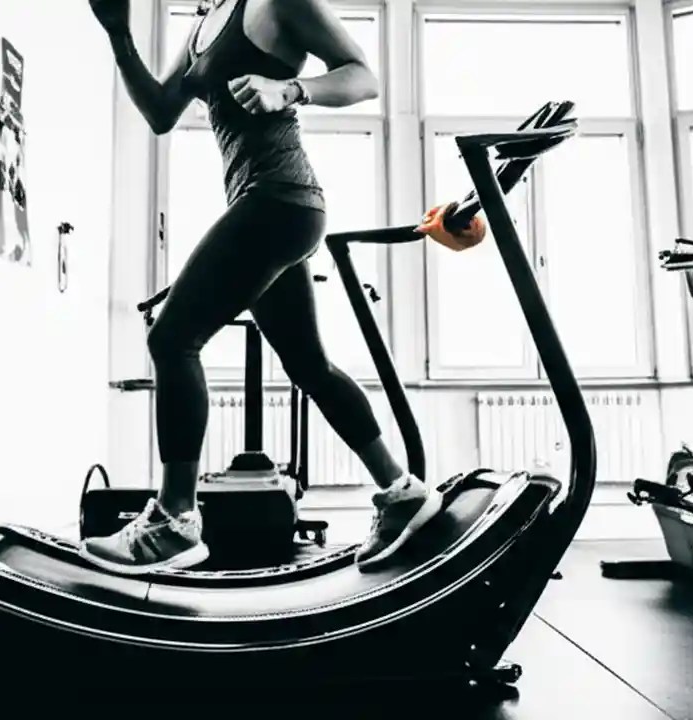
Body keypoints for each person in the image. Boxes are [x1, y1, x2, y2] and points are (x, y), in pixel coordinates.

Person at [80, 0, 479, 576]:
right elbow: (162, 113)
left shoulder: (275, 4)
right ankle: (402, 490)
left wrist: (289, 90)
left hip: (278, 199)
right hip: (270, 207)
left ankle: (174, 520)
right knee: (309, 366)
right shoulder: (199, 28)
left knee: (172, 340)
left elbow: (362, 76)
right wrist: (118, 34)